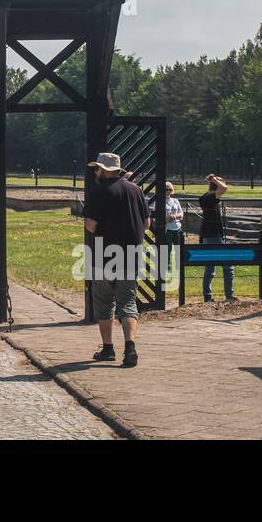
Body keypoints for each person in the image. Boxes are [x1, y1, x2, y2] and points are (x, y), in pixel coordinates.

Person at [83, 152, 151, 368]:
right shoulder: (136, 190)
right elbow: (147, 224)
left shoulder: (98, 192)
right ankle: (130, 347)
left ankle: (108, 348)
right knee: (128, 302)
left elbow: (90, 226)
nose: (96, 172)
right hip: (131, 255)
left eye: (97, 168)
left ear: (104, 169)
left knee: (104, 303)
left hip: (104, 255)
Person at [199, 174, 237, 302]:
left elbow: (222, 188)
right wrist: (214, 179)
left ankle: (208, 297)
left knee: (210, 267)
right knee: (228, 266)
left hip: (210, 235)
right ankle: (229, 296)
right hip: (213, 236)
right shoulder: (210, 197)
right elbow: (224, 188)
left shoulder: (205, 197)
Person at [157, 181, 183, 280]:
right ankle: (166, 271)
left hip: (177, 228)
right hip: (167, 229)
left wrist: (175, 216)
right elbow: (156, 215)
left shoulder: (176, 201)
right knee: (167, 251)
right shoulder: (159, 201)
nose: (168, 191)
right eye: (166, 189)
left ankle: (178, 270)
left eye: (170, 189)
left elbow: (181, 213)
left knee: (179, 250)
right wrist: (166, 218)